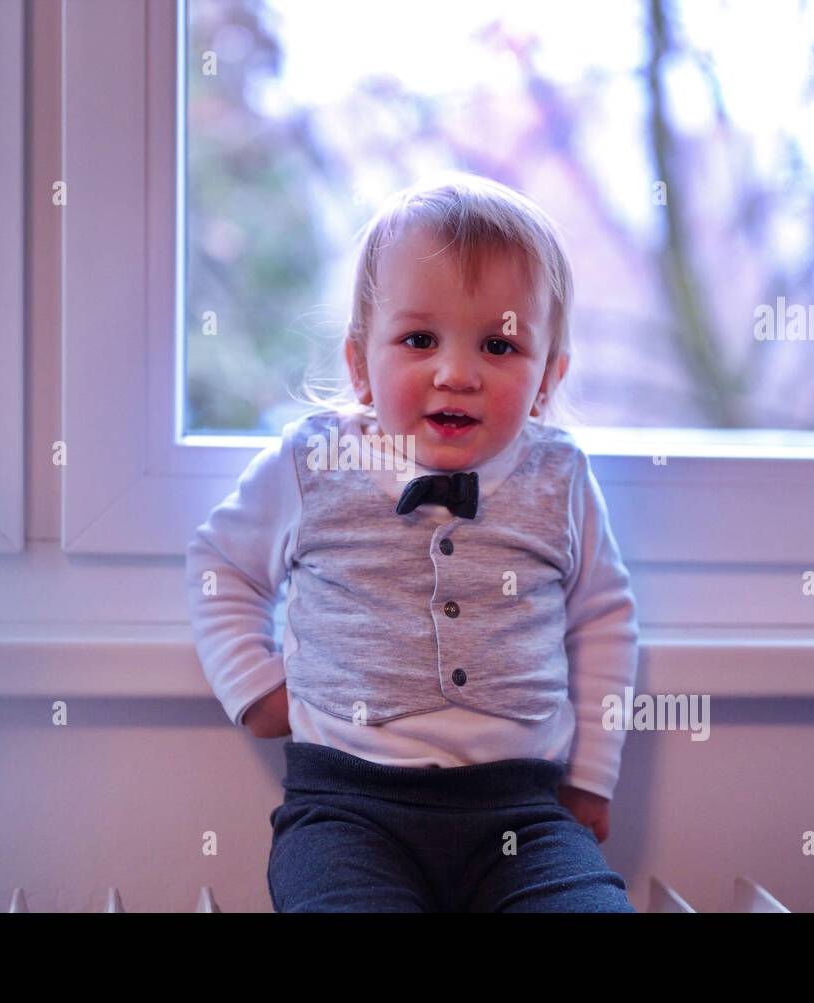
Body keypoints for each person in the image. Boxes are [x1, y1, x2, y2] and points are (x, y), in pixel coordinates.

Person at [185, 171, 639, 912]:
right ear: (361, 364)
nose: (457, 374)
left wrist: (591, 772)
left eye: (499, 344)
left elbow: (605, 620)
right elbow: (220, 565)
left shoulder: (559, 479)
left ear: (549, 377)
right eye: (419, 339)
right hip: (347, 812)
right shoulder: (313, 463)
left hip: (522, 814)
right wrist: (254, 683)